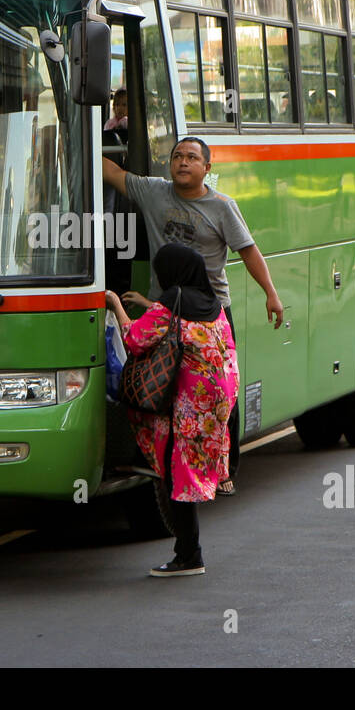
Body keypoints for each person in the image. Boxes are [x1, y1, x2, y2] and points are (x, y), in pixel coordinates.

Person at [102, 136, 282, 495]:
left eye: (192, 158)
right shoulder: (154, 192)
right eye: (177, 156)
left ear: (207, 168)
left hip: (211, 314)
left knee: (220, 394)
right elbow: (114, 173)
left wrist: (271, 294)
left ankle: (225, 468)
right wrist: (80, 136)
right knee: (165, 387)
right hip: (167, 311)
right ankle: (166, 461)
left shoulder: (222, 207)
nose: (183, 162)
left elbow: (248, 252)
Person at [106, 244, 238, 577]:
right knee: (183, 463)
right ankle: (189, 549)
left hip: (191, 399)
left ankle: (189, 556)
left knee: (177, 471)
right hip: (221, 394)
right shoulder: (213, 302)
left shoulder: (172, 299)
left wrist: (116, 305)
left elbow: (135, 339)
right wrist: (151, 305)